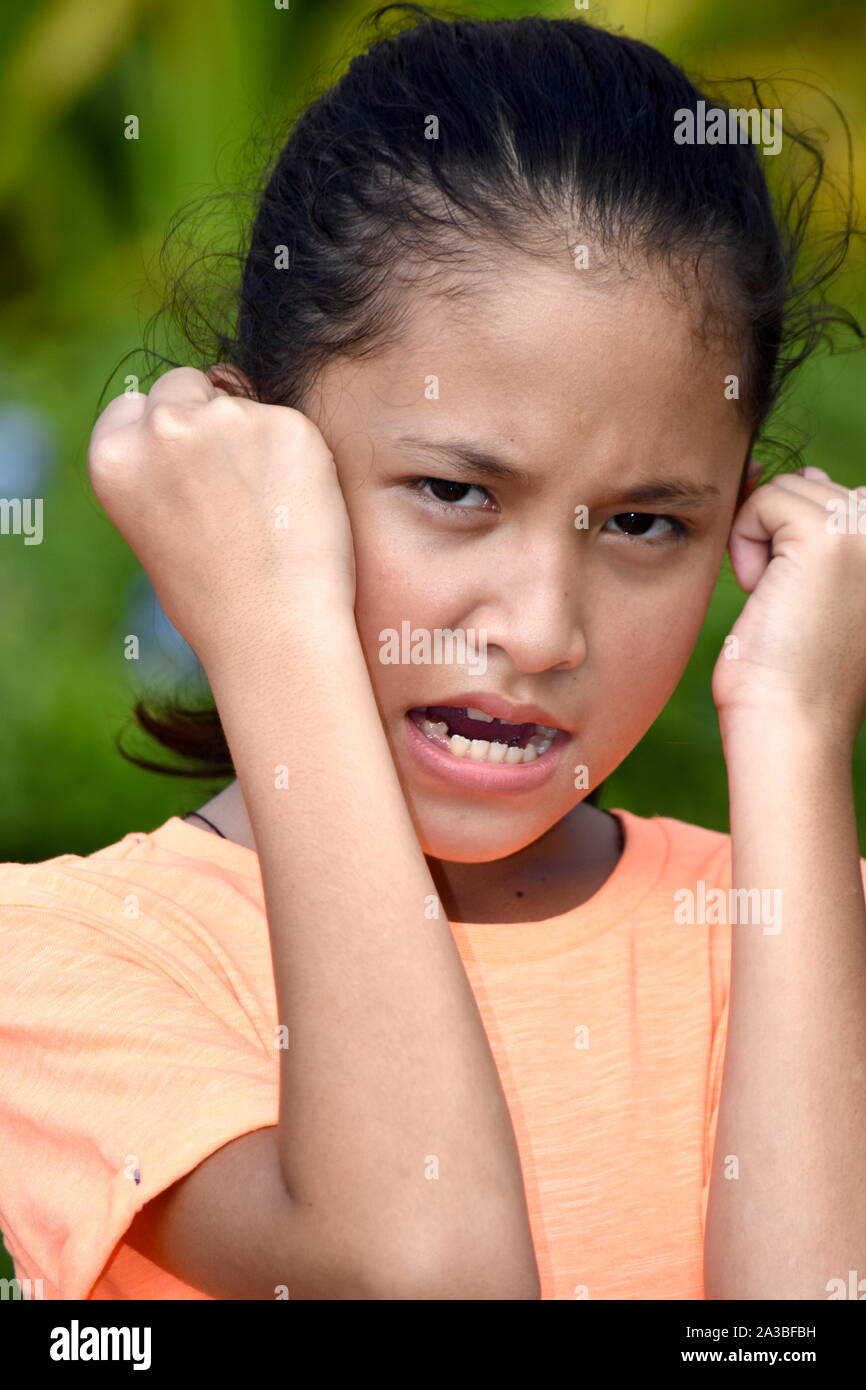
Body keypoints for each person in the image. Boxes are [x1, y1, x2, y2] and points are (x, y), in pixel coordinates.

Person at [2, 4, 865, 1301]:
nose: (536, 627)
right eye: (456, 492)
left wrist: (797, 738)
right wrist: (267, 624)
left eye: (641, 522)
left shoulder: (810, 936)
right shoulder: (69, 957)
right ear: (260, 472)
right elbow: (424, 1277)